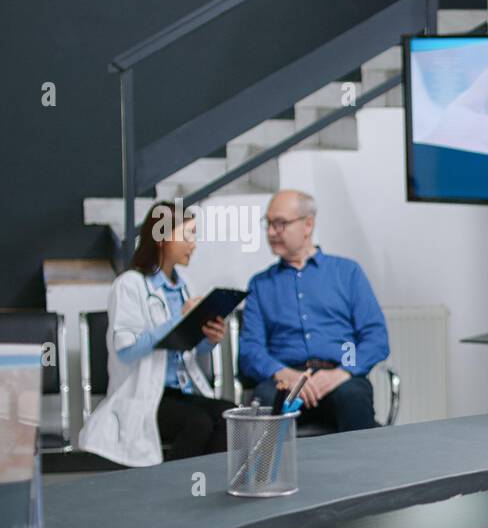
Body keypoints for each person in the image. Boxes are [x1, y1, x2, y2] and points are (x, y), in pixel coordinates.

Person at [81, 200, 233, 466]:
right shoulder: (129, 285)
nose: (193, 244)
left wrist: (209, 339)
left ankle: (203, 489)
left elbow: (185, 344)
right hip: (144, 393)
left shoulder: (182, 287)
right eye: (187, 235)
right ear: (162, 238)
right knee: (197, 424)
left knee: (227, 415)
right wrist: (179, 319)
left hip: (180, 390)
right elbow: (127, 349)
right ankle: (171, 494)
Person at [239, 190, 390, 432]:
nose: (270, 232)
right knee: (265, 402)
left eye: (280, 224)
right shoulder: (260, 285)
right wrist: (284, 373)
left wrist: (343, 372)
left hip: (339, 375)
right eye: (268, 224)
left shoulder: (347, 273)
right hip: (284, 380)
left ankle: (363, 471)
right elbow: (250, 350)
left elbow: (375, 337)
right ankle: (268, 471)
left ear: (307, 224)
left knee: (353, 398)